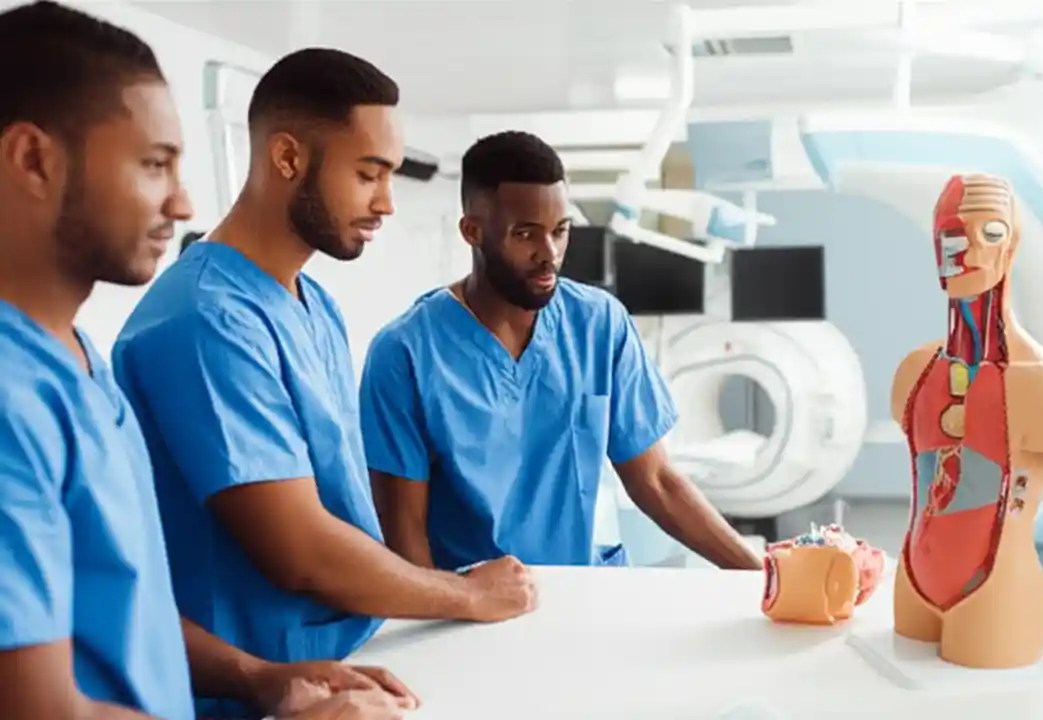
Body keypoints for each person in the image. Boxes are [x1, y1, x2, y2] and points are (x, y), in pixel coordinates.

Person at [0, 2, 415, 718]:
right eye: (154, 164)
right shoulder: (14, 398)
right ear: (34, 159)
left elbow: (127, 607)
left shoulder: (79, 366)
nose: (184, 200)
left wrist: (261, 679)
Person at [110, 47, 534, 714]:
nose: (387, 202)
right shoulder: (203, 322)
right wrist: (466, 594)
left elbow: (343, 509)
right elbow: (299, 550)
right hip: (262, 693)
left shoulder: (315, 306)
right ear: (288, 159)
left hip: (356, 661)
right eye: (370, 174)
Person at [359, 130, 762, 573]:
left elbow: (657, 481)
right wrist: (449, 622)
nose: (549, 254)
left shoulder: (598, 324)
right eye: (526, 234)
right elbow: (404, 532)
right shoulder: (405, 354)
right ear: (472, 231)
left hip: (586, 588)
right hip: (469, 606)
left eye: (560, 230)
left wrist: (758, 575)